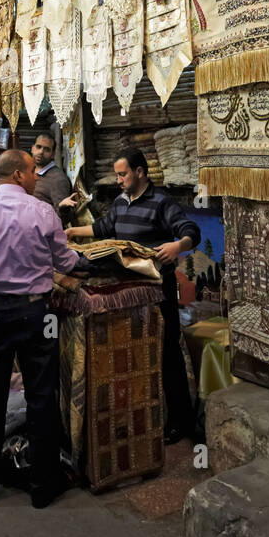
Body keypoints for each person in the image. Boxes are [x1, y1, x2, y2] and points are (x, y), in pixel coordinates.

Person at [0, 149, 85, 509]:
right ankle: (43, 486)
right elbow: (64, 260)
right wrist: (81, 261)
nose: (35, 177)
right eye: (31, 171)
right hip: (36, 315)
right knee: (41, 396)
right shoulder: (42, 213)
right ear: (16, 175)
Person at [65, 147, 201, 444]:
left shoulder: (161, 202)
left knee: (167, 353)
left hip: (158, 288)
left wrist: (178, 246)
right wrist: (74, 232)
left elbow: (190, 230)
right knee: (141, 353)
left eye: (123, 174)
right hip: (131, 292)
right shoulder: (120, 202)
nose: (119, 179)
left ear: (140, 172)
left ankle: (181, 422)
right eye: (116, 174)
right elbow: (104, 228)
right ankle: (146, 415)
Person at [30, 132, 72, 221]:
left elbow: (63, 217)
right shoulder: (28, 171)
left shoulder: (57, 179)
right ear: (32, 148)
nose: (41, 152)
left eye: (47, 149)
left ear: (53, 154)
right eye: (38, 147)